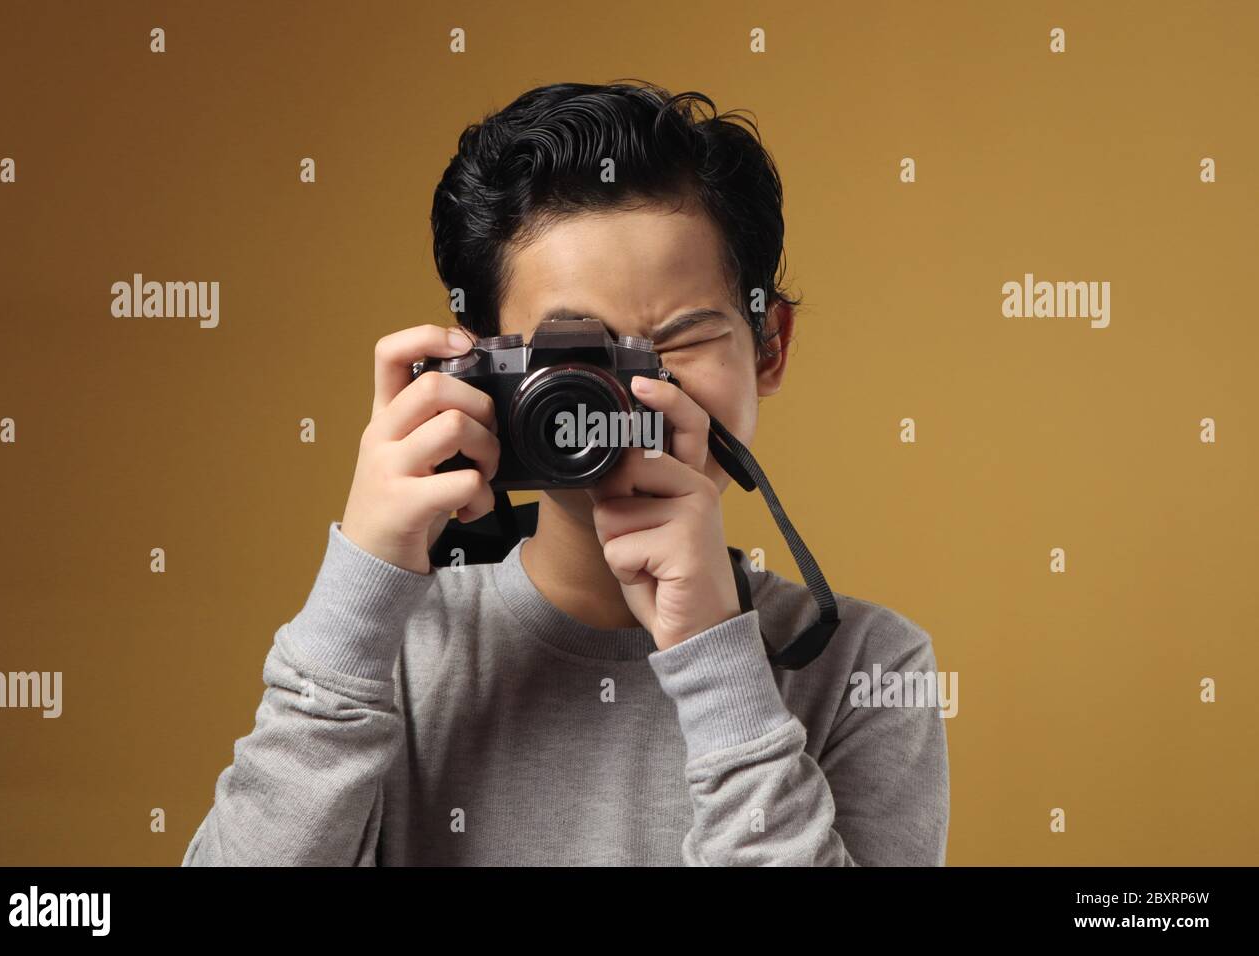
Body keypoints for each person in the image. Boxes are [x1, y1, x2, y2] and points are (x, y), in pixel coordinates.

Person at [182, 80, 949, 866]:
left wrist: (718, 661)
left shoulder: (866, 668)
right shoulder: (389, 650)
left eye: (679, 340)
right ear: (480, 369)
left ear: (768, 346)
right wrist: (361, 586)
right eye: (576, 354)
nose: (625, 392)